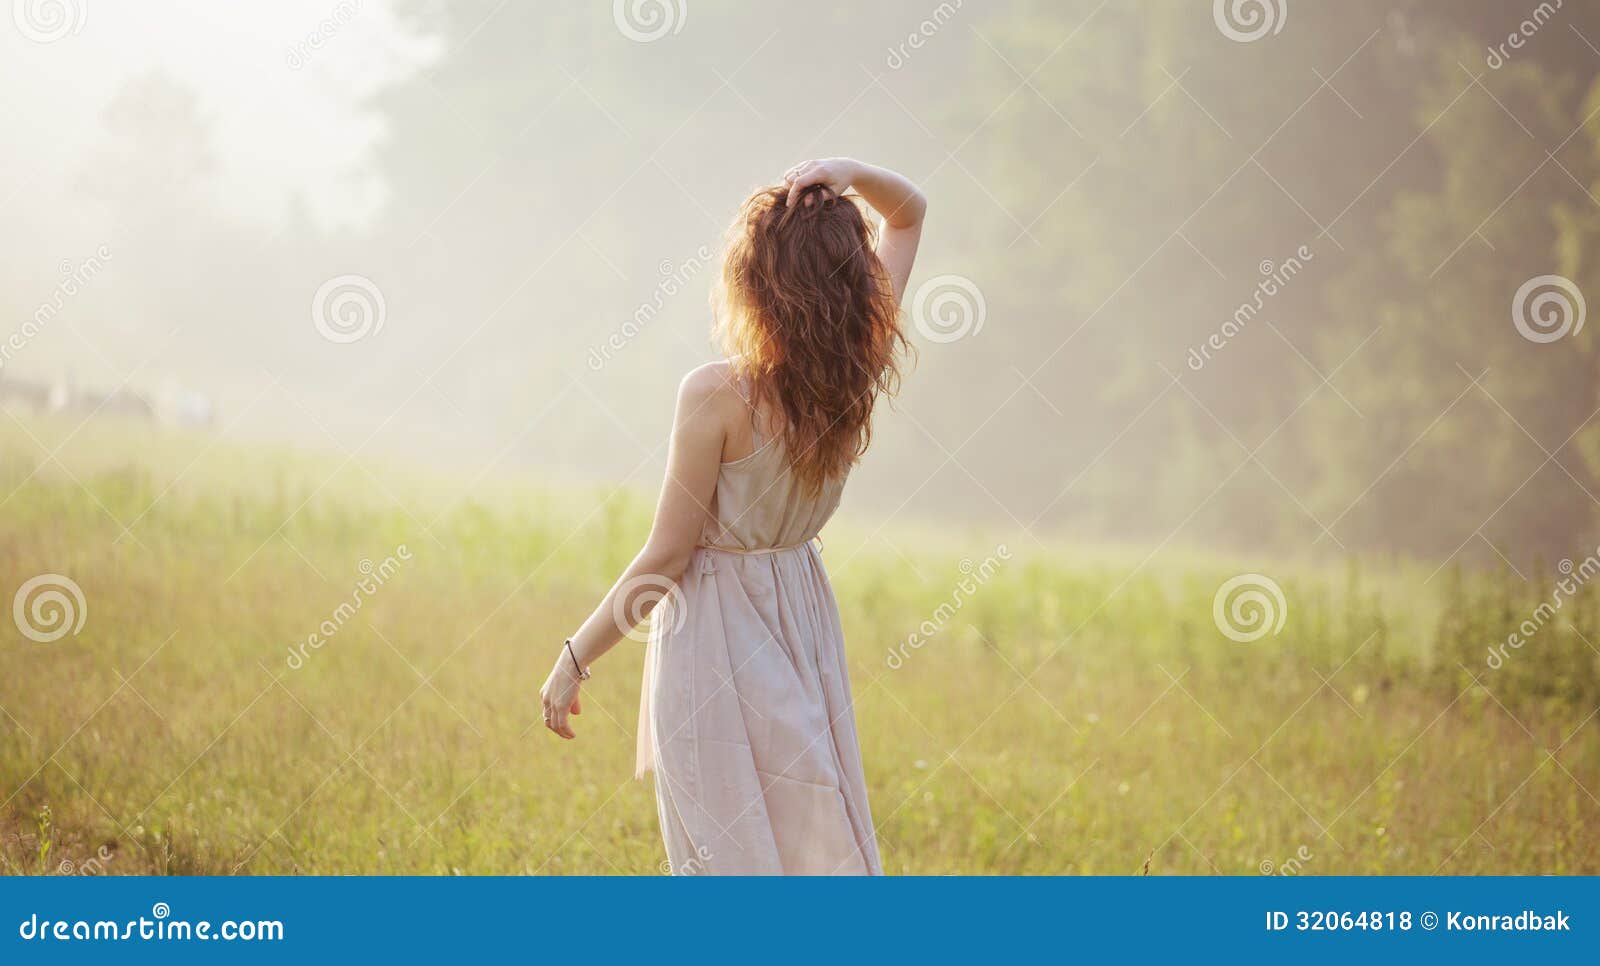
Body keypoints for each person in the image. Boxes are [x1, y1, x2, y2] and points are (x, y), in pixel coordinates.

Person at [542, 157, 926, 874]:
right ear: (850, 286)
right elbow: (909, 212)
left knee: (728, 853)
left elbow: (665, 559)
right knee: (814, 834)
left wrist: (574, 658)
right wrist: (848, 171)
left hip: (714, 634)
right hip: (799, 614)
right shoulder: (858, 368)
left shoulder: (717, 394)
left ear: (757, 282)